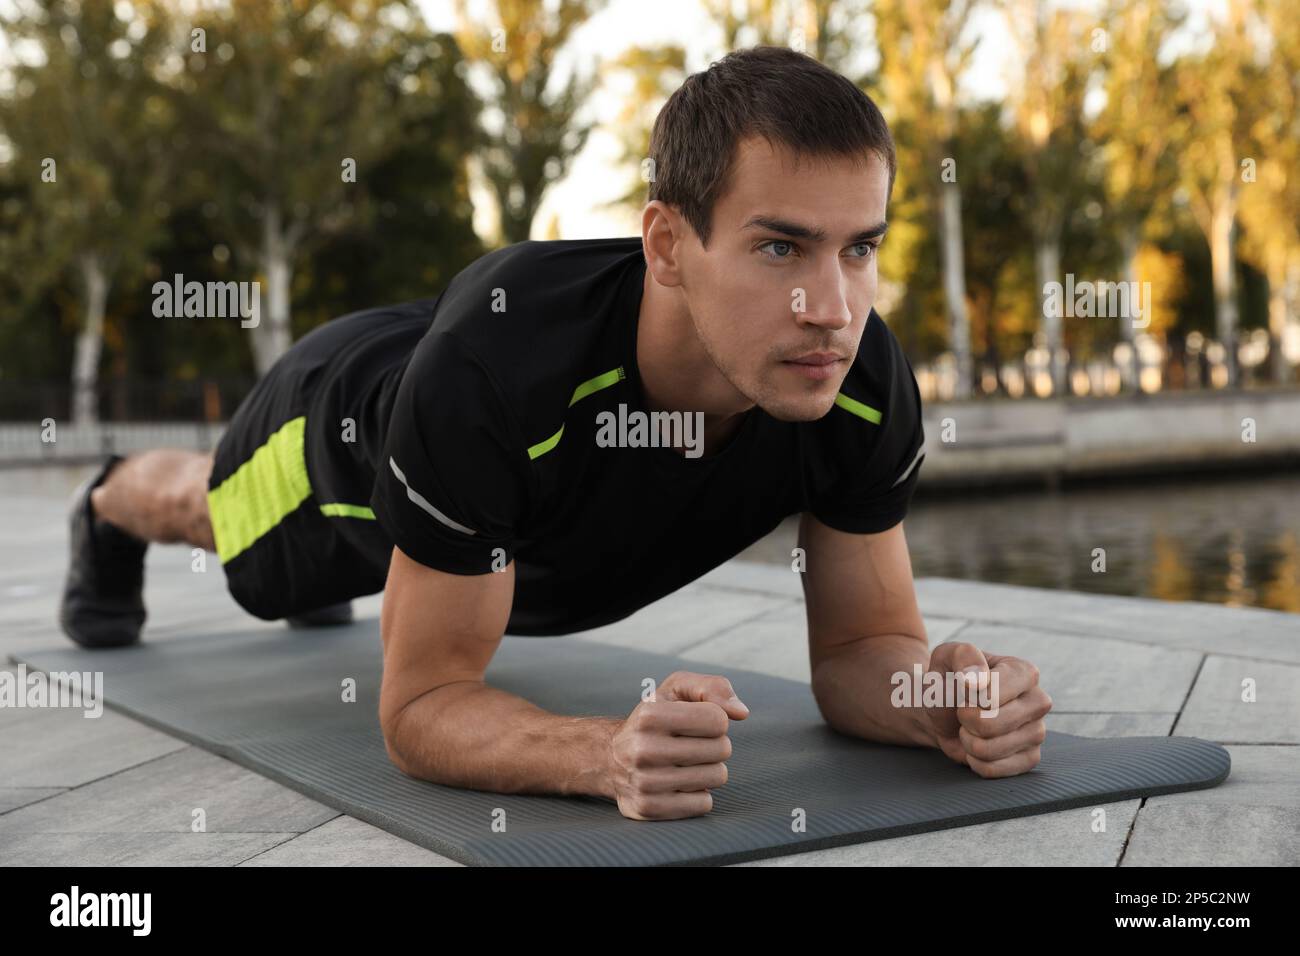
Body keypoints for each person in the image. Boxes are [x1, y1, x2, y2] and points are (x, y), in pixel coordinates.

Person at [59, 45, 1051, 821]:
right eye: (780, 246)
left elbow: (861, 647)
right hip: (348, 420)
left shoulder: (859, 386)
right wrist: (597, 752)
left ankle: (415, 566)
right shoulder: (496, 384)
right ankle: (104, 500)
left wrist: (939, 699)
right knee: (223, 531)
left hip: (471, 414)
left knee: (410, 567)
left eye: (860, 247)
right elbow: (418, 706)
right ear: (667, 243)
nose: (832, 307)